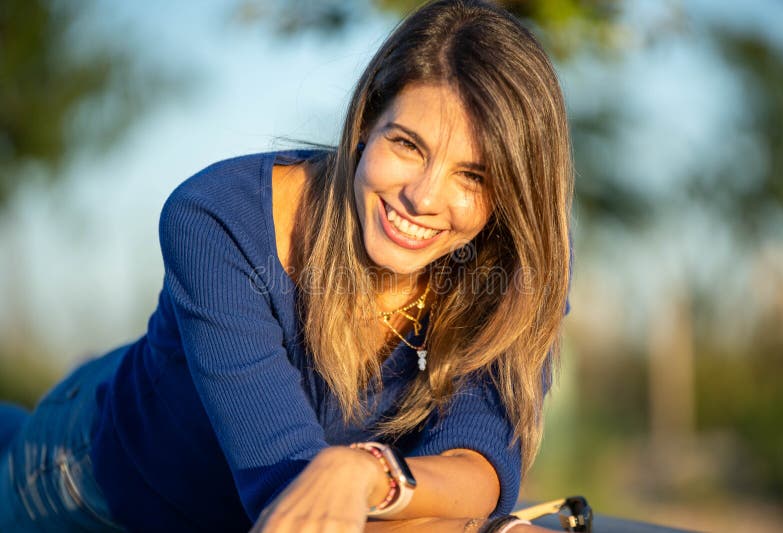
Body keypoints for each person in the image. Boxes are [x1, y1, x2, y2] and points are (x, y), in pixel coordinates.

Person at [0, 0, 574, 531]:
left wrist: (368, 473)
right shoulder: (219, 218)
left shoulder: (519, 270)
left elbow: (477, 461)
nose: (422, 198)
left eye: (472, 176)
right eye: (407, 145)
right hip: (95, 488)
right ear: (366, 123)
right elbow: (292, 496)